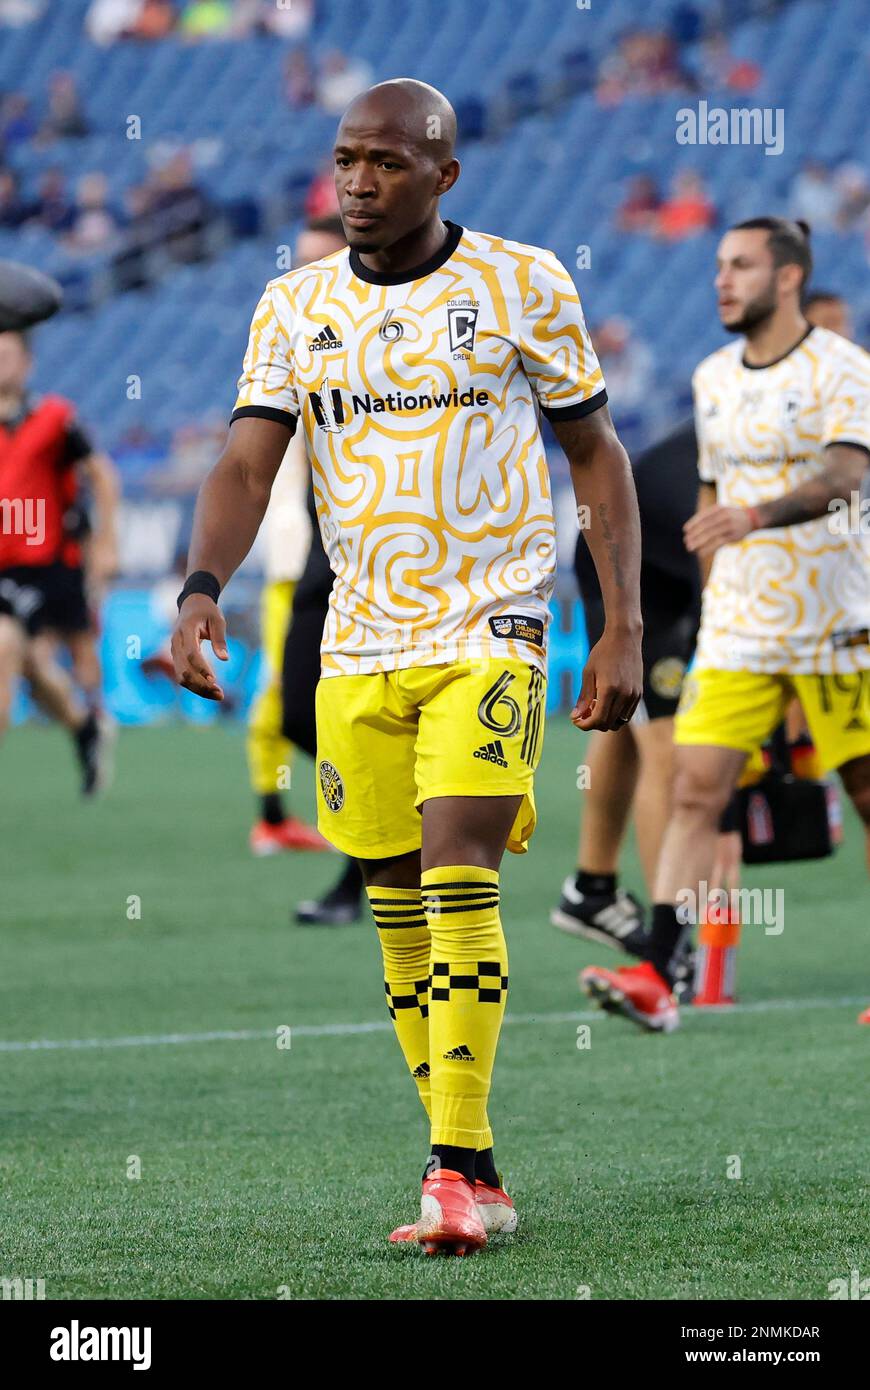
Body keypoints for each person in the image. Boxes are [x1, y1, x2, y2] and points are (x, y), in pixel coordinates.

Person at [171, 78, 642, 1256]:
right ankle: (471, 1158)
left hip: (492, 626)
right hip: (359, 641)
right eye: (346, 161)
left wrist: (620, 620)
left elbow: (596, 457)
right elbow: (243, 467)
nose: (360, 182)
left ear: (444, 175)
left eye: (386, 162)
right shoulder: (293, 304)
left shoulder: (526, 284)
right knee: (392, 900)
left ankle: (444, 1166)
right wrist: (198, 590)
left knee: (459, 859)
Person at [581, 218, 870, 1032]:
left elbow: (847, 475)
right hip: (741, 630)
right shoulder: (712, 378)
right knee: (695, 791)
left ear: (787, 278)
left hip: (835, 624)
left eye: (739, 266)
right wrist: (718, 596)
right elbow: (710, 499)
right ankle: (656, 975)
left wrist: (757, 515)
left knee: (864, 792)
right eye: (717, 266)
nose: (721, 280)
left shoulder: (844, 370)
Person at [551, 419, 699, 958]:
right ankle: (672, 946)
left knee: (620, 718)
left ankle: (591, 888)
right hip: (626, 575)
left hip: (667, 568)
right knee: (670, 757)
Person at [245, 219, 347, 858]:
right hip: (292, 561)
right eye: (297, 261)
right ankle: (288, 816)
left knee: (297, 705)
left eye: (318, 259)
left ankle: (307, 817)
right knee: (283, 706)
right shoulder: (287, 341)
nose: (301, 273)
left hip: (349, 562)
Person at [0, 329, 117, 790]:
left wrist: (106, 543)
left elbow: (101, 475)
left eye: (9, 354)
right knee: (27, 663)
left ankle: (95, 708)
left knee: (67, 644)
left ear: (27, 363)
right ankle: (84, 727)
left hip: (47, 564)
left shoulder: (55, 418)